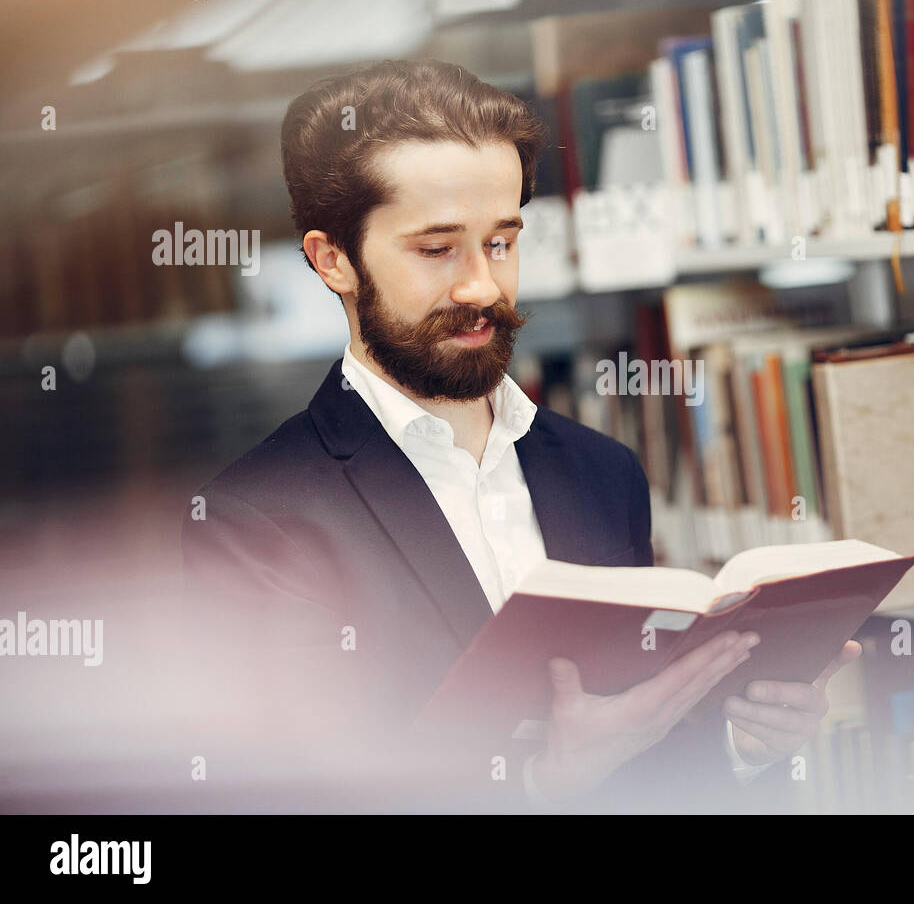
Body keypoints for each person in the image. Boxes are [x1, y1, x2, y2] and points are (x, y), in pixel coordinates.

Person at [181, 58, 859, 812]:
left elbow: (645, 762)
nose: (482, 287)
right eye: (437, 250)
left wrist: (742, 747)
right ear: (333, 259)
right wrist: (545, 783)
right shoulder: (256, 522)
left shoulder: (604, 474)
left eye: (501, 242)